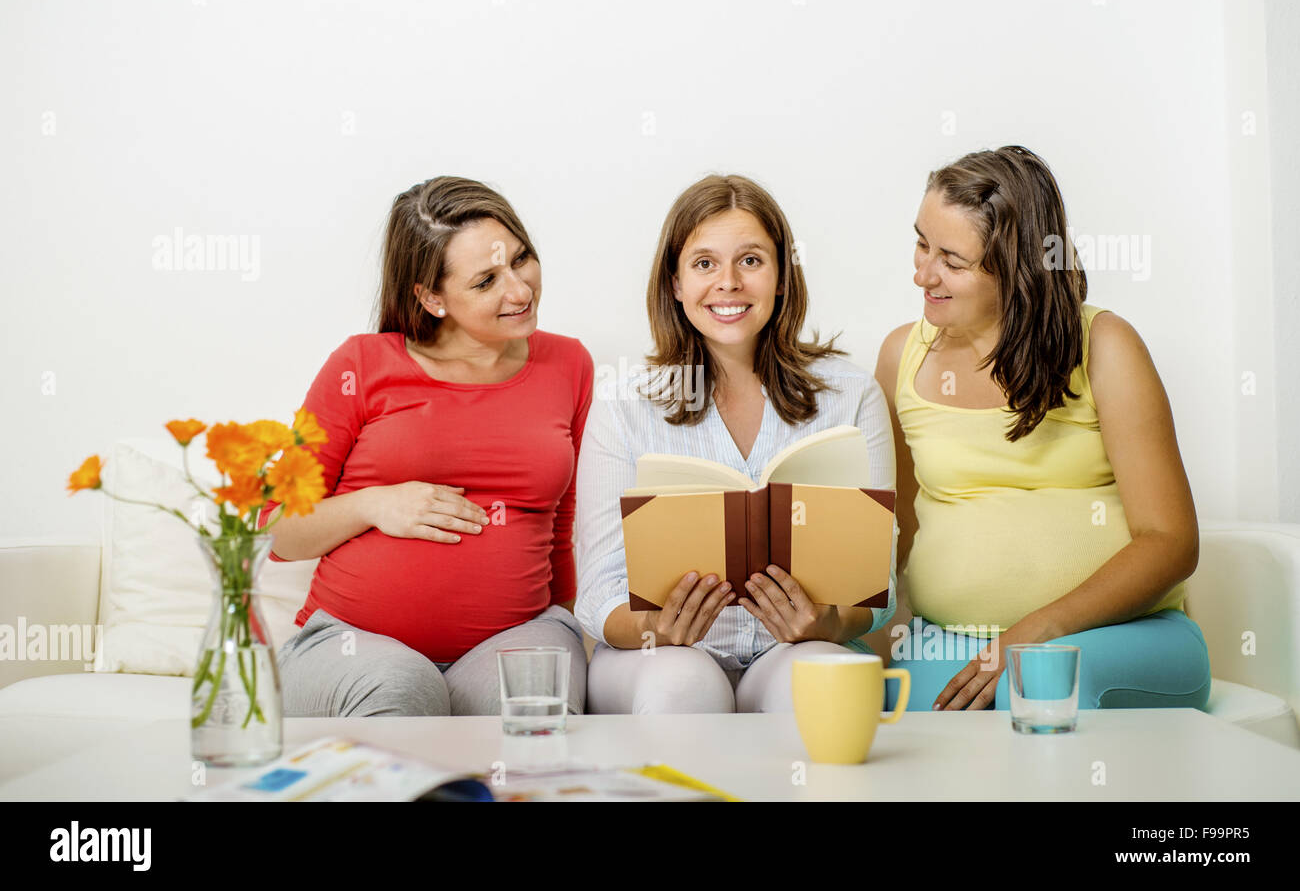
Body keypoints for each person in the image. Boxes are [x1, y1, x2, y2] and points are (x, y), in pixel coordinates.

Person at [867, 145, 1211, 712]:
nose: (922, 273)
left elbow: (1171, 542)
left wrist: (1031, 633)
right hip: (953, 645)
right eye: (922, 243)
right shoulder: (901, 355)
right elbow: (893, 531)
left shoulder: (1105, 346)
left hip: (1123, 635)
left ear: (1017, 265)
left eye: (952, 260)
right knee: (898, 716)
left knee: (1039, 687)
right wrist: (839, 621)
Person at [261, 176, 593, 717]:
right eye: (486, 280)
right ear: (431, 297)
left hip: (513, 635)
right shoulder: (361, 366)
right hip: (349, 642)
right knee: (401, 689)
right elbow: (275, 530)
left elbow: (562, 521)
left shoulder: (568, 364)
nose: (519, 289)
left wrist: (566, 625)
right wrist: (374, 504)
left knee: (531, 711)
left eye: (521, 258)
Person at [575, 174, 897, 714]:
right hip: (653, 656)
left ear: (780, 278)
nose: (728, 283)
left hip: (792, 647)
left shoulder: (851, 394)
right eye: (704, 264)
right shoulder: (624, 402)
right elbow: (599, 591)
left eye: (750, 260)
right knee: (682, 684)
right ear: (675, 283)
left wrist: (831, 622)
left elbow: (876, 580)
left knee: (817, 683)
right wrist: (655, 626)